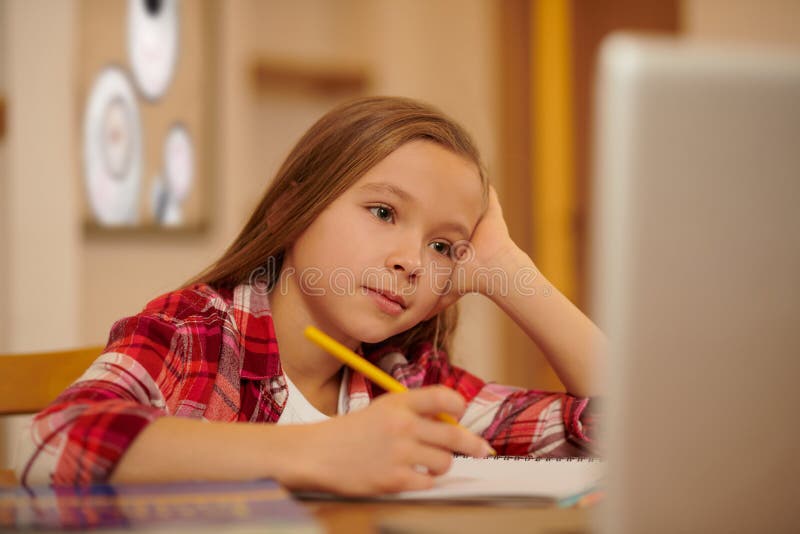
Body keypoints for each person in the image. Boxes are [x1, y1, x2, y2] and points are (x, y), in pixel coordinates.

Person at [16, 96, 603, 495]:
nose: (411, 260)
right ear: (291, 209)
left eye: (444, 247)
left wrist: (508, 269)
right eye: (383, 211)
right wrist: (318, 451)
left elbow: (623, 427)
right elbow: (53, 443)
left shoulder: (407, 377)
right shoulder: (198, 332)